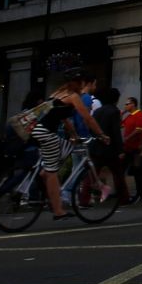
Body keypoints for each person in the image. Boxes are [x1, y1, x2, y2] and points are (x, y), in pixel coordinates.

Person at [32, 72, 108, 220]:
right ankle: (58, 211)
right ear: (79, 83)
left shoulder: (57, 93)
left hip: (38, 130)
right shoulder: (73, 97)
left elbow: (64, 118)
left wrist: (74, 135)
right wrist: (101, 134)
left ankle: (44, 176)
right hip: (46, 132)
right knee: (52, 172)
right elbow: (87, 117)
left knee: (60, 153)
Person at [91, 86, 127, 203]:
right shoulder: (114, 111)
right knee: (118, 174)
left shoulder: (97, 111)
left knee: (92, 174)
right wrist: (120, 150)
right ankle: (123, 198)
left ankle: (84, 199)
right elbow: (116, 132)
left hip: (97, 147)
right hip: (110, 149)